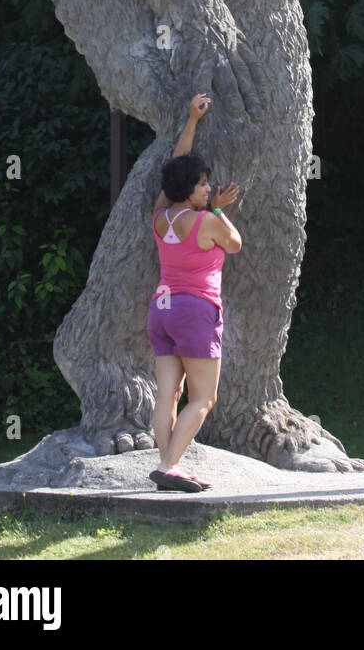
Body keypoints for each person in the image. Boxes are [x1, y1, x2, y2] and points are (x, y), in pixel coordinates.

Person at [147, 92, 241, 491]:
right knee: (203, 399)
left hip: (161, 309)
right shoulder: (206, 221)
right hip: (195, 308)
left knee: (167, 396)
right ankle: (169, 467)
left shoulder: (160, 216)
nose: (208, 188)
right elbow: (235, 243)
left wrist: (191, 121)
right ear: (189, 189)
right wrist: (218, 209)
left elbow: (174, 168)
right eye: (202, 184)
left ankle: (167, 466)